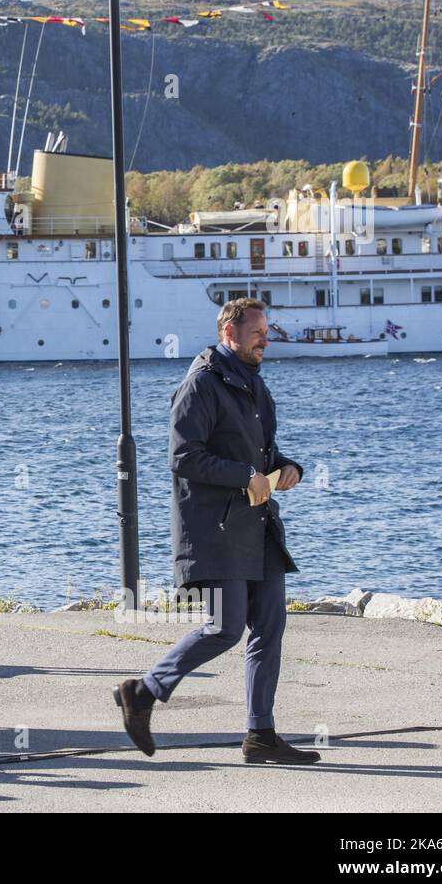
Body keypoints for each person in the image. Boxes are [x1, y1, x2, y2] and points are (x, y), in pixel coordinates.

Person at [113, 298, 320, 765]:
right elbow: (183, 457)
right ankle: (142, 691)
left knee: (270, 625)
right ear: (230, 333)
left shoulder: (256, 387)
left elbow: (263, 454)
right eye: (257, 333)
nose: (266, 339)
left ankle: (260, 735)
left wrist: (287, 467)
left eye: (267, 332)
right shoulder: (200, 386)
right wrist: (243, 475)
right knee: (225, 628)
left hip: (259, 528)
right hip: (214, 531)